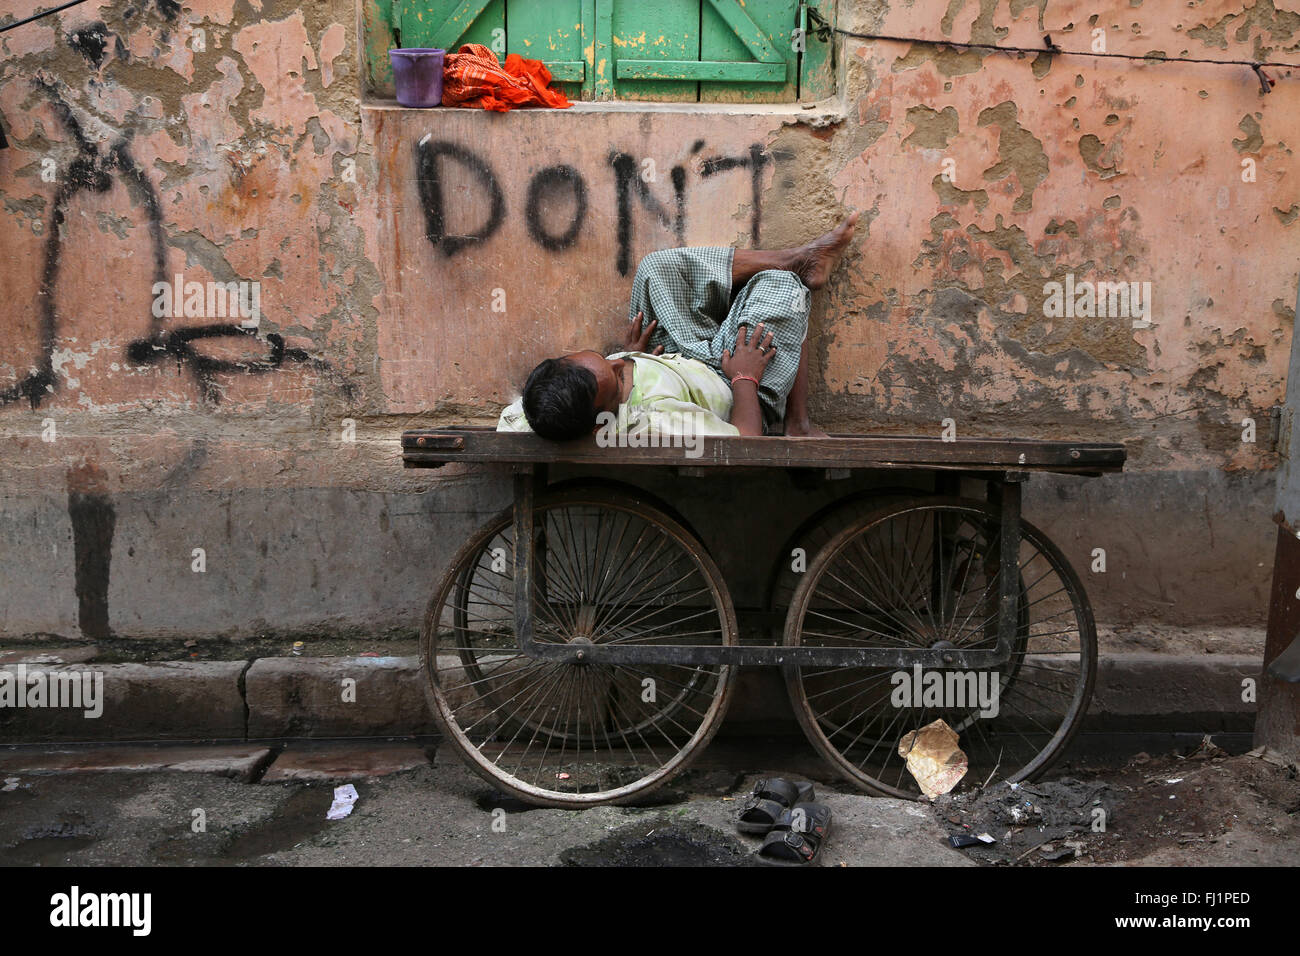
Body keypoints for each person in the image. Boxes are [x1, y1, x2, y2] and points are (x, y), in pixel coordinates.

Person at [497, 213, 859, 439]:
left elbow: (511, 423)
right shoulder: (657, 422)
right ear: (600, 427)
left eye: (607, 359)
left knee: (656, 270)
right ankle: (798, 424)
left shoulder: (531, 410)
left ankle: (796, 258)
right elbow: (744, 438)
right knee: (785, 289)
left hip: (674, 359)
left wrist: (634, 357)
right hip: (733, 383)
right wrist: (745, 378)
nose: (618, 362)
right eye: (617, 379)